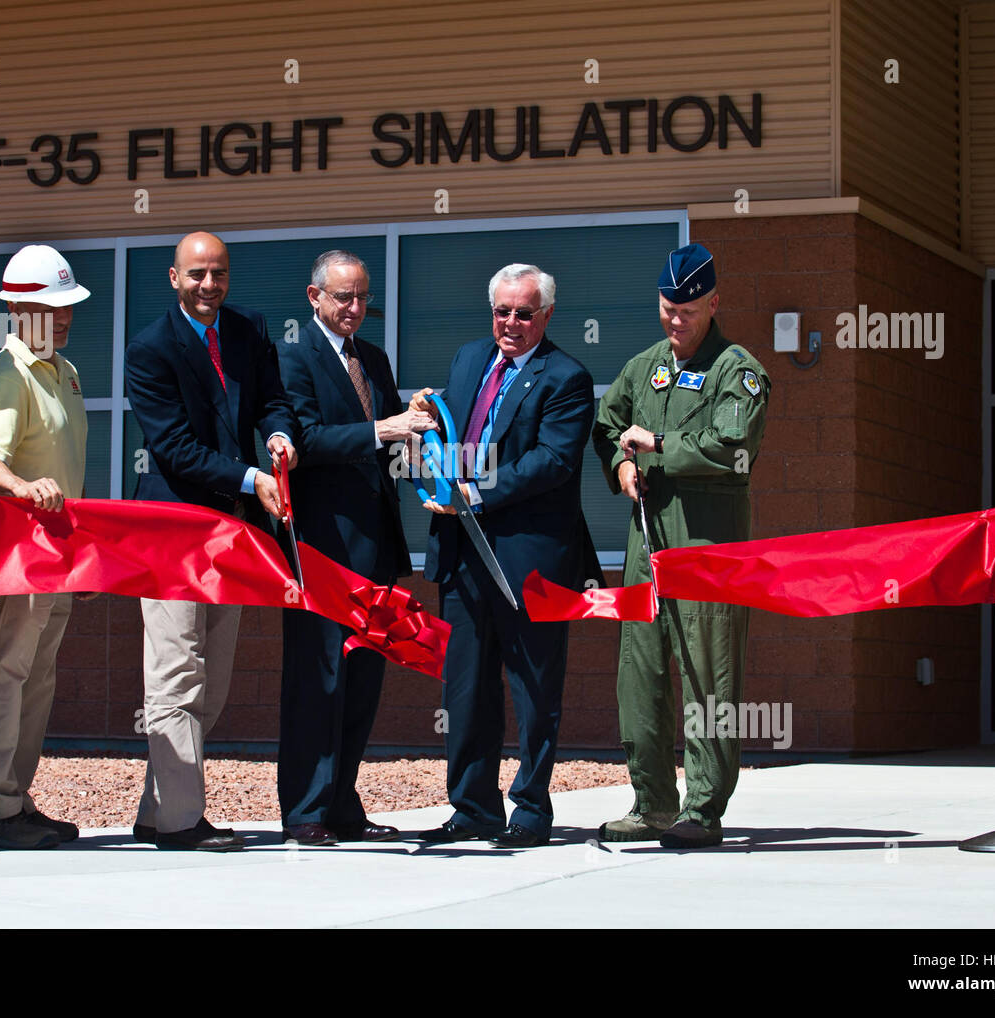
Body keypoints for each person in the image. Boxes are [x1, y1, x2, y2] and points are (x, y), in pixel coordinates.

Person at [411, 263, 600, 848]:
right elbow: (461, 422)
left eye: (524, 312)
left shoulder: (567, 377)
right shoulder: (470, 358)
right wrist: (431, 409)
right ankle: (473, 808)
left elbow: (552, 461)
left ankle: (530, 809)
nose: (511, 323)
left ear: (546, 315)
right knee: (465, 687)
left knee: (534, 687)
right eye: (502, 311)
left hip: (530, 560)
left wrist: (476, 490)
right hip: (463, 555)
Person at [125, 231, 299, 851]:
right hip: (174, 532)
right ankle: (178, 824)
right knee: (177, 673)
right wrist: (254, 478)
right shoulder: (150, 349)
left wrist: (278, 436)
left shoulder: (248, 330)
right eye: (196, 274)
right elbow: (173, 449)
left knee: (215, 676)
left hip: (232, 535)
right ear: (174, 279)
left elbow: (272, 402)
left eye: (218, 274)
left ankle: (156, 809)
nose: (208, 285)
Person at [592, 242, 770, 849]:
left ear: (713, 303)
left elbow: (730, 446)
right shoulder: (643, 367)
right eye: (668, 308)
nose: (676, 320)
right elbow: (609, 425)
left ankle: (703, 809)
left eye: (688, 310)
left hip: (708, 549)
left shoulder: (736, 369)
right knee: (639, 674)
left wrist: (659, 444)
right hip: (648, 544)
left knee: (707, 678)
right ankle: (651, 805)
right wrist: (621, 463)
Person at [274, 250, 436, 846]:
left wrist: (429, 466)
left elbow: (394, 449)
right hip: (323, 553)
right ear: (314, 297)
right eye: (343, 297)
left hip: (376, 549)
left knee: (363, 684)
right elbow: (309, 439)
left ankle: (342, 803)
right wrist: (387, 427)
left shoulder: (374, 358)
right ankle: (305, 811)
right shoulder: (292, 360)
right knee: (317, 682)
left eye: (363, 297)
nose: (354, 308)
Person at [0, 245, 93, 851]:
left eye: (67, 305)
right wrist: (24, 486)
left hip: (61, 556)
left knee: (37, 677)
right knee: (7, 671)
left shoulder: (64, 371)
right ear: (18, 308)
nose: (62, 316)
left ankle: (16, 798)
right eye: (50, 305)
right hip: (21, 555)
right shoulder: (10, 374)